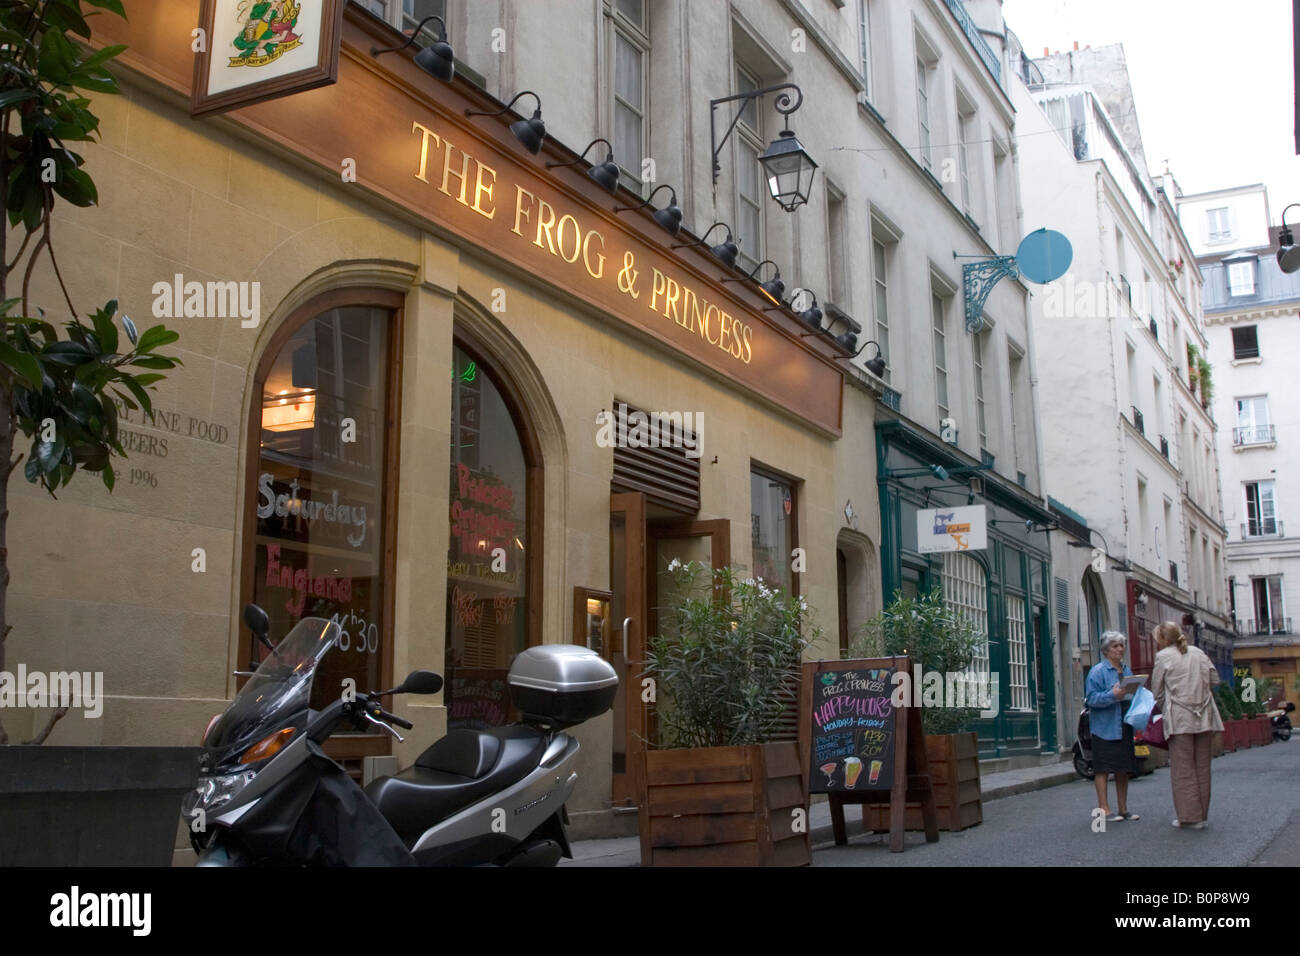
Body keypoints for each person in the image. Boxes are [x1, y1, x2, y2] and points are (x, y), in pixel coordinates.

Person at [1151, 621, 1223, 829]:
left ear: (1164, 640)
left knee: (1183, 768)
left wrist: (1167, 705)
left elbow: (1157, 691)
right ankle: (1203, 813)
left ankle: (1190, 817)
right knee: (1202, 766)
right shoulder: (1198, 653)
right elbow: (1214, 679)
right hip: (1204, 715)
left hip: (1180, 716)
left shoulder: (1163, 657)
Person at [1084, 631, 1140, 822]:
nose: (1120, 649)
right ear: (1106, 650)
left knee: (1123, 768)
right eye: (1115, 646)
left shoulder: (1127, 670)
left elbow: (1132, 694)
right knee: (1103, 768)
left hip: (1124, 724)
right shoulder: (1097, 671)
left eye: (1122, 645)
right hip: (1104, 727)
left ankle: (1123, 809)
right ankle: (1104, 809)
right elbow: (1091, 699)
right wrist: (1111, 695)